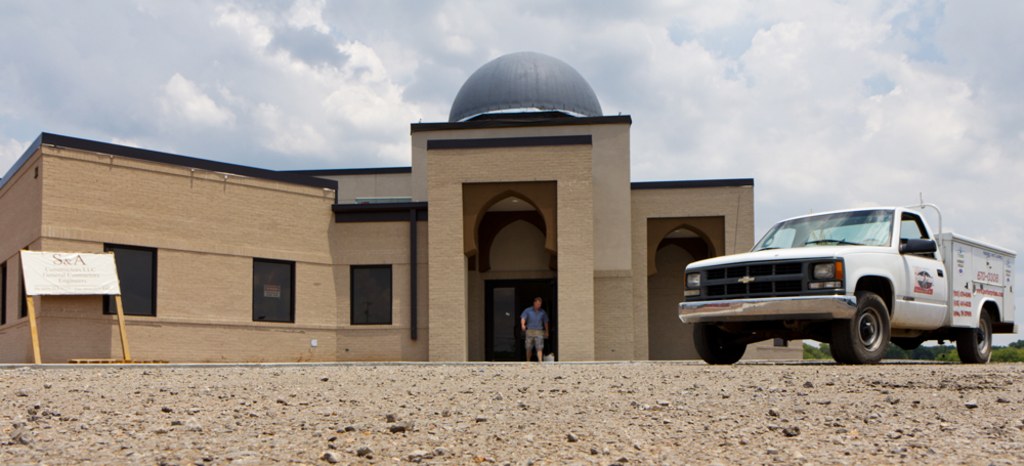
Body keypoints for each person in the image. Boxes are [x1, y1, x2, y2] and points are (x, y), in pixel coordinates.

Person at [520, 297, 549, 362]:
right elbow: (523, 318)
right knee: (528, 347)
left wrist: (547, 331)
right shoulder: (527, 310)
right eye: (538, 304)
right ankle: (528, 361)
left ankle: (540, 361)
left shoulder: (542, 312)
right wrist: (522, 325)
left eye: (540, 304)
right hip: (530, 331)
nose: (539, 305)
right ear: (534, 303)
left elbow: (546, 322)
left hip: (539, 331)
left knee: (539, 347)